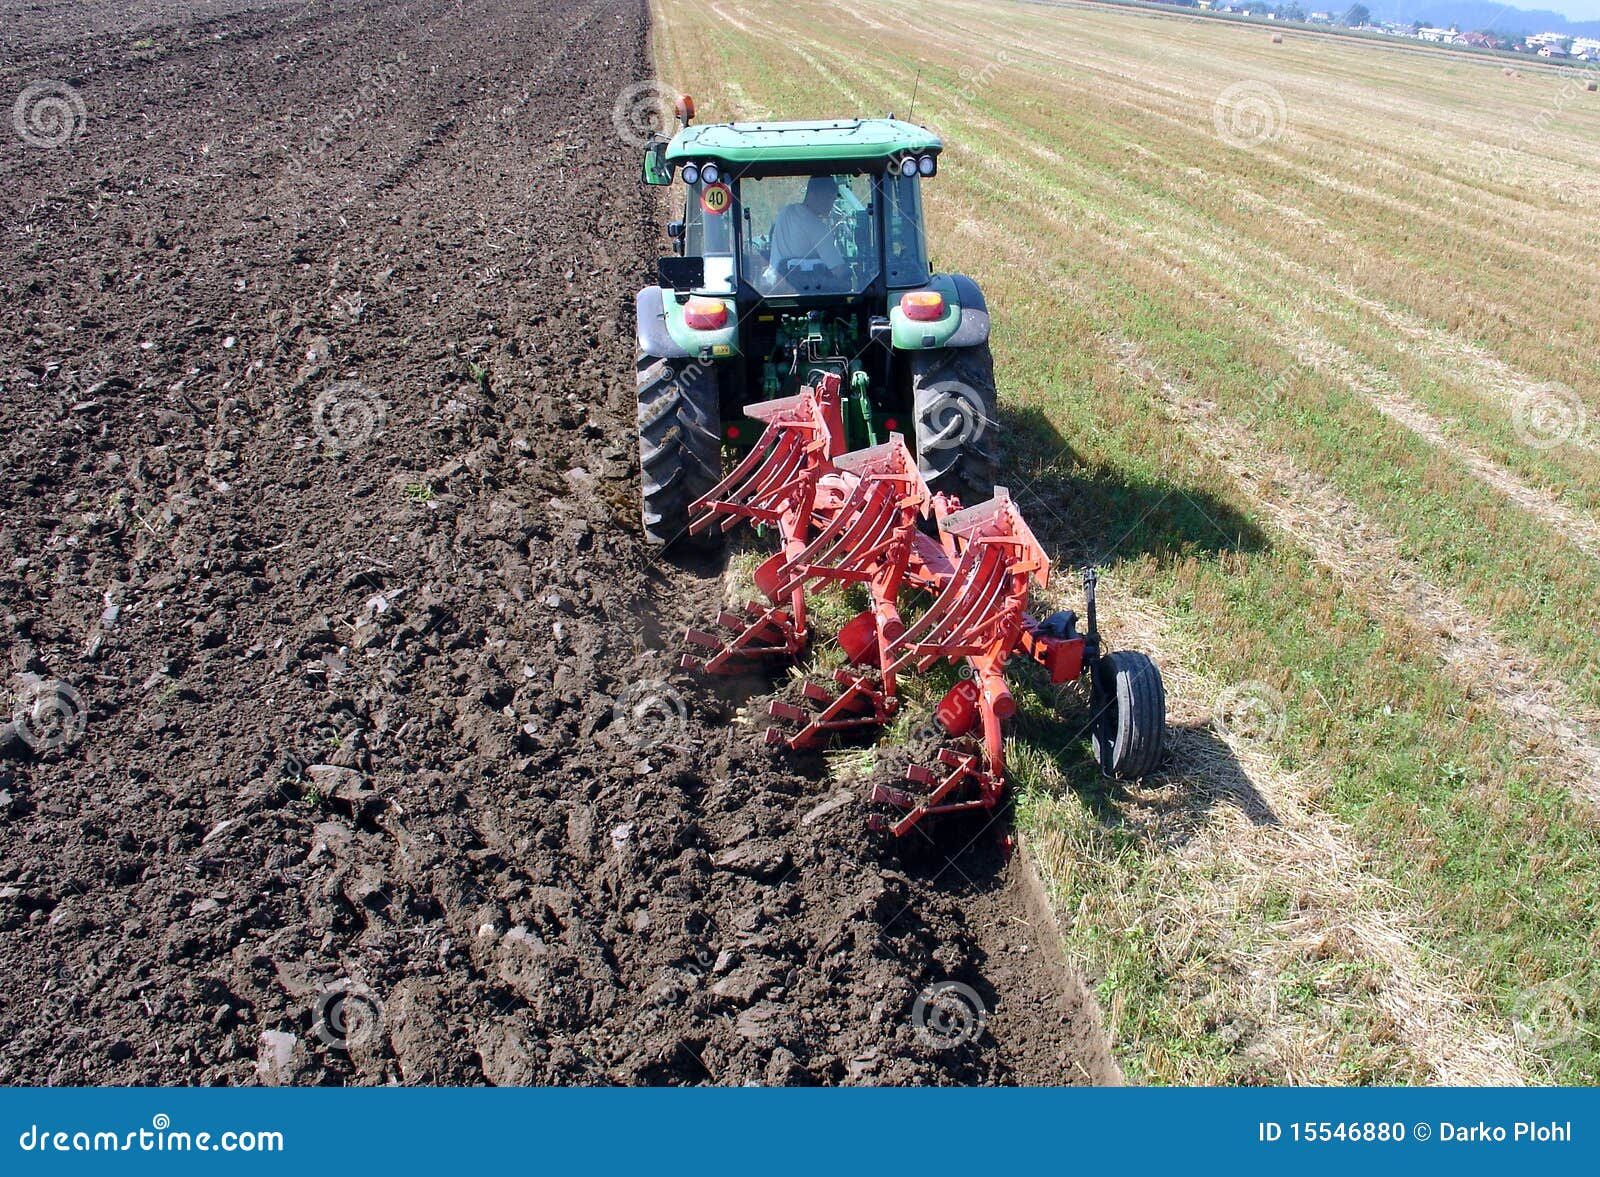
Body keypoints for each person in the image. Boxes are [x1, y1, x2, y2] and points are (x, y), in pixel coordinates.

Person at [766, 175, 845, 279]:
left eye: (833, 199)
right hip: (807, 291)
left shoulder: (785, 213)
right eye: (828, 198)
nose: (831, 204)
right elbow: (838, 270)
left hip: (776, 288)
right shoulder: (818, 227)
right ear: (812, 194)